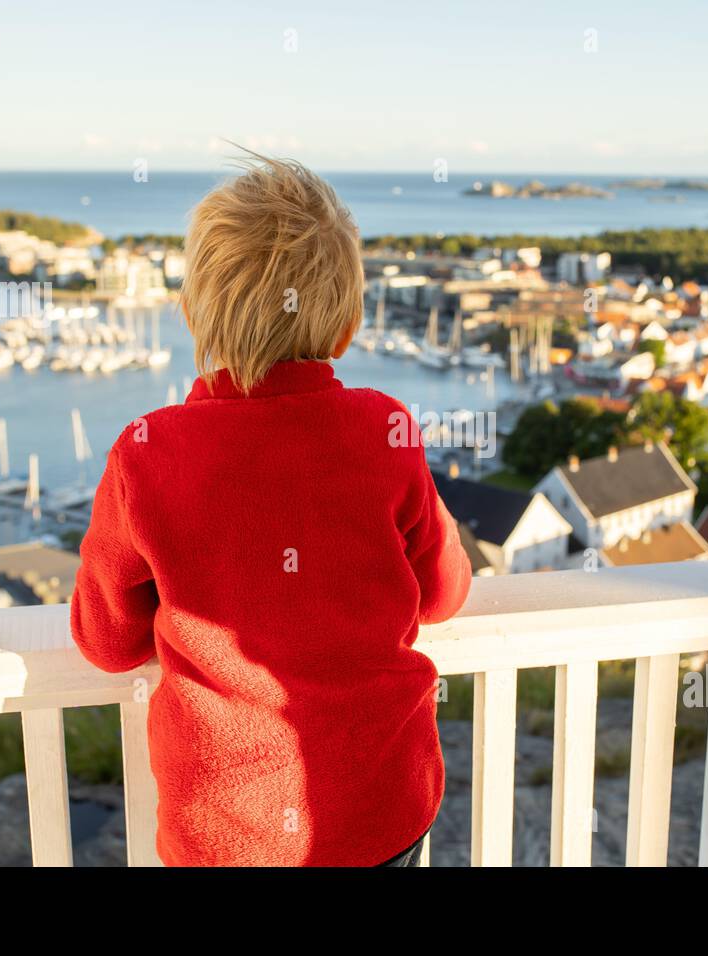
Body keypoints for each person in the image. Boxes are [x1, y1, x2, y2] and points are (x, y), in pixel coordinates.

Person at [70, 153, 472, 866]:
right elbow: (442, 594)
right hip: (383, 806)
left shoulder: (145, 454)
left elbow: (107, 641)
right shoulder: (386, 430)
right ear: (346, 325)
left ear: (192, 315)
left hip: (225, 834)